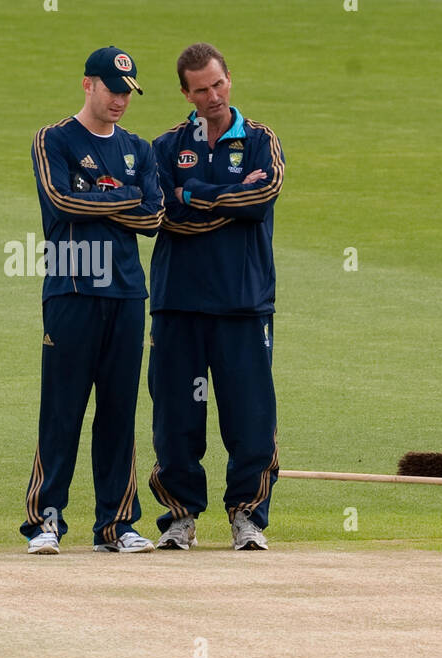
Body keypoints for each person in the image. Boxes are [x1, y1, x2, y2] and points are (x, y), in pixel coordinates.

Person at [22, 46, 163, 555]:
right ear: (88, 84)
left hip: (126, 293)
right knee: (62, 410)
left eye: (128, 91)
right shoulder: (53, 139)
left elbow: (153, 218)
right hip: (71, 288)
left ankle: (117, 525)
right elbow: (62, 201)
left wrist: (103, 199)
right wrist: (123, 196)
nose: (121, 99)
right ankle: (46, 522)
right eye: (112, 89)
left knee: (120, 411)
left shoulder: (139, 149)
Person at [147, 43, 284, 551]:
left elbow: (259, 198)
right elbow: (160, 212)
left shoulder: (261, 141)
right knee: (176, 419)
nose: (212, 95)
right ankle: (180, 518)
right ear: (186, 92)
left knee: (249, 417)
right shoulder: (163, 147)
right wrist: (212, 198)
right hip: (178, 303)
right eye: (201, 89)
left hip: (243, 303)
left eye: (218, 84)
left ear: (230, 78)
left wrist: (192, 192)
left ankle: (247, 517)